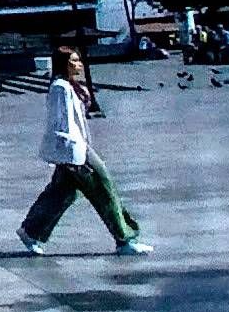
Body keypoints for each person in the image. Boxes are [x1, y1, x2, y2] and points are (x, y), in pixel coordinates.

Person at [19, 47, 149, 255]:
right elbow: (58, 122)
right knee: (104, 188)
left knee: (61, 195)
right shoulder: (60, 88)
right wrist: (68, 153)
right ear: (64, 64)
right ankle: (124, 238)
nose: (79, 64)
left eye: (79, 60)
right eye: (74, 60)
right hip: (73, 150)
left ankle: (31, 231)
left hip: (78, 147)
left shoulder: (70, 86)